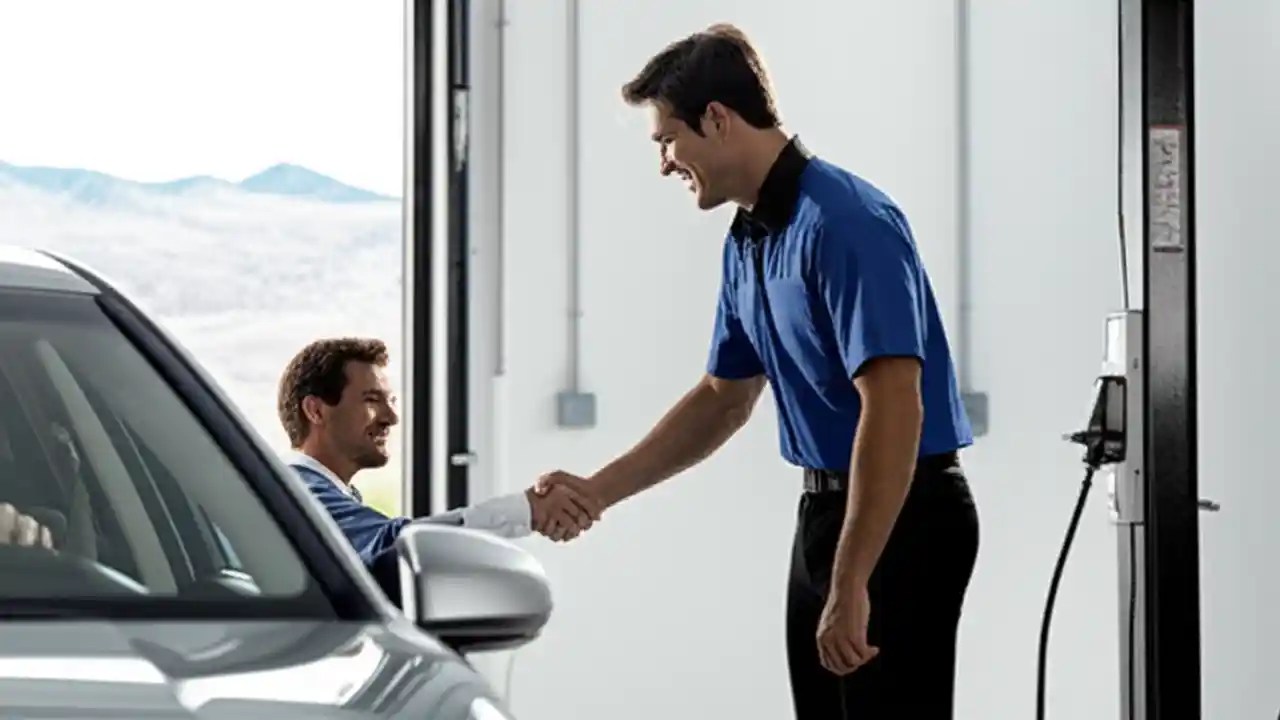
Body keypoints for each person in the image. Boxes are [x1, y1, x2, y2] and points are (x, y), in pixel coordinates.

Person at [535, 23, 980, 719]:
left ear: (717, 119)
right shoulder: (748, 239)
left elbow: (895, 405)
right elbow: (724, 398)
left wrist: (852, 579)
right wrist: (597, 490)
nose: (665, 163)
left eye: (667, 140)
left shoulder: (848, 222)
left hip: (904, 518)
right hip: (825, 514)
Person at [276, 338, 602, 588]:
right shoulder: (300, 493)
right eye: (372, 400)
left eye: (391, 401)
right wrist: (528, 509)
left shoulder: (324, 494)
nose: (392, 417)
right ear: (316, 411)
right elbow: (399, 546)